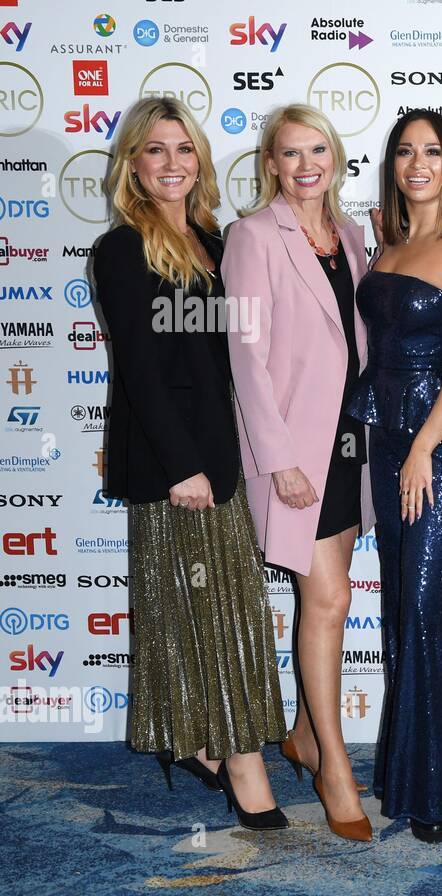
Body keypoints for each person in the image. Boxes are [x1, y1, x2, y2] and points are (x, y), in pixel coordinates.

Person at [94, 96, 287, 831]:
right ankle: (240, 760)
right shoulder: (121, 249)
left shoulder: (211, 238)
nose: (172, 163)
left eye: (183, 149)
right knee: (195, 608)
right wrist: (181, 465)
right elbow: (139, 370)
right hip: (177, 466)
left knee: (228, 606)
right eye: (155, 151)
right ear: (133, 166)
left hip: (222, 454)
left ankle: (204, 738)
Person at [224, 104, 375, 843]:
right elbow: (245, 357)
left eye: (318, 149)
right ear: (272, 164)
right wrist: (278, 458)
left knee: (329, 605)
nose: (306, 163)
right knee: (331, 598)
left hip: (348, 444)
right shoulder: (251, 236)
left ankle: (302, 733)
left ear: (335, 156)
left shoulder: (351, 235)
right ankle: (332, 765)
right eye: (291, 153)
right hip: (294, 454)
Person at [345, 109, 442, 843]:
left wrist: (424, 447)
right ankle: (408, 770)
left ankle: (429, 788)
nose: (416, 163)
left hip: (439, 436)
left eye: (431, 151)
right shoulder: (394, 243)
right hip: (387, 428)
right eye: (405, 151)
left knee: (423, 596)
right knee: (400, 597)